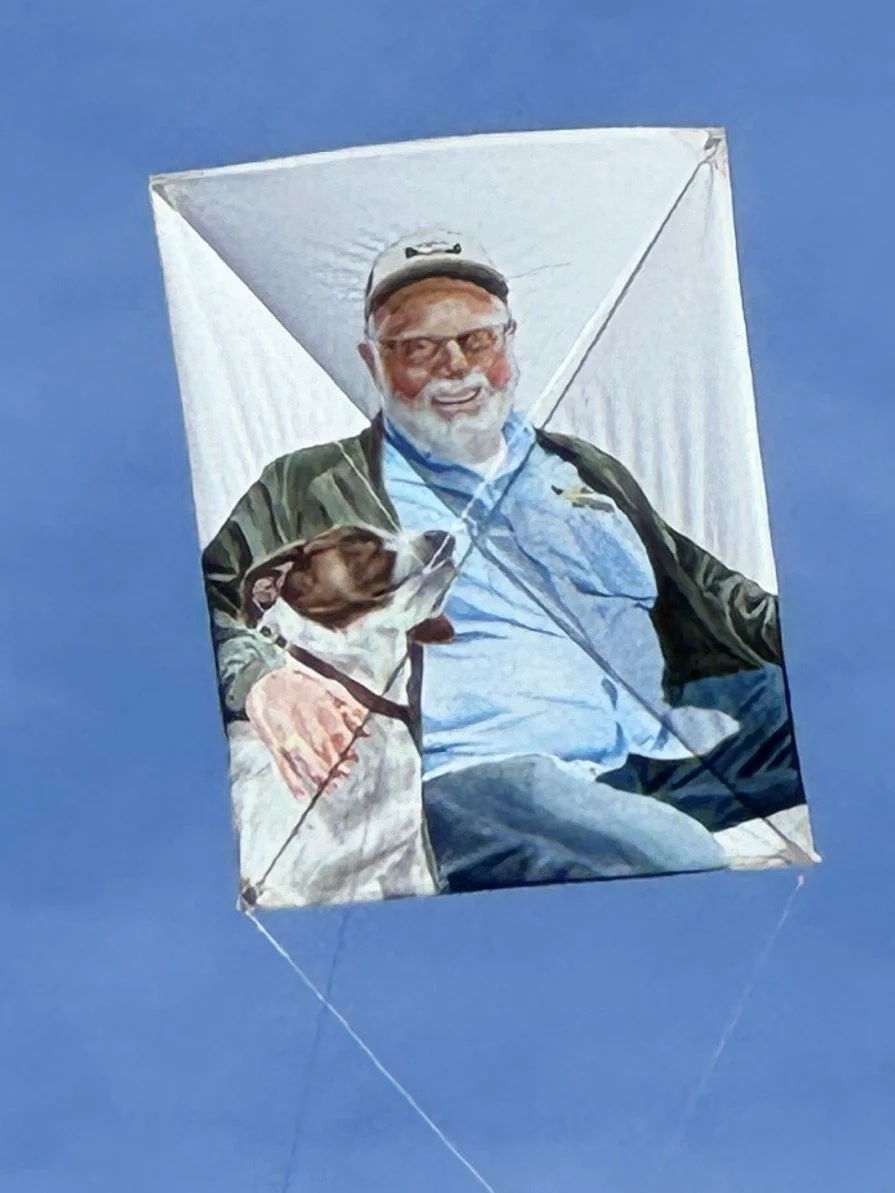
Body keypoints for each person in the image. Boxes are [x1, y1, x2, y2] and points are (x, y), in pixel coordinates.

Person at [203, 230, 807, 892]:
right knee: (676, 853)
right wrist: (260, 676)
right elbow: (196, 608)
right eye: (418, 347)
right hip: (480, 773)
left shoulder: (579, 468)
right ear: (372, 362)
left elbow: (719, 597)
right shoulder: (308, 483)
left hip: (655, 742)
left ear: (509, 342)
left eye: (476, 339)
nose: (454, 365)